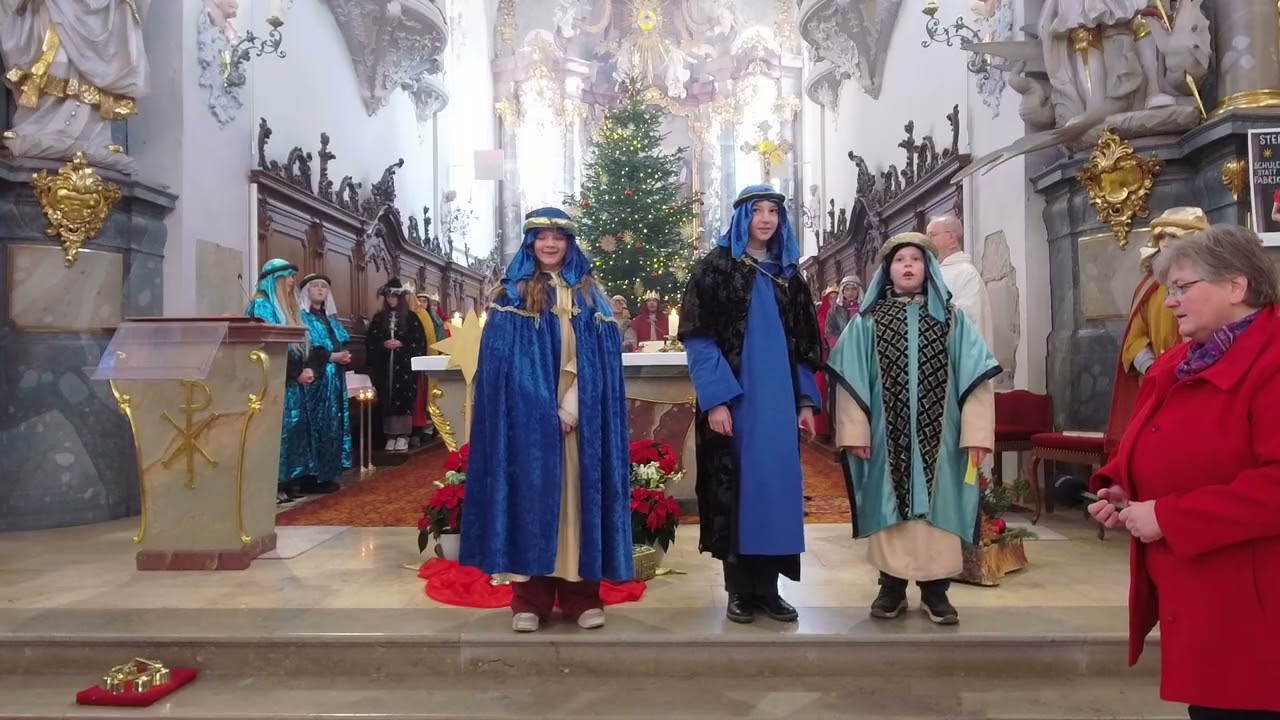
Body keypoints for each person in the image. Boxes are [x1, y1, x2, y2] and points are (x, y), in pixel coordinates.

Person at [1088, 224, 1280, 719]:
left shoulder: (1273, 362)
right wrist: (1120, 486)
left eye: (1181, 287)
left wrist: (1169, 517)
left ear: (1237, 287)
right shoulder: (1178, 361)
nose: (1169, 303)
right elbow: (1150, 439)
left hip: (1256, 603)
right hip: (1202, 595)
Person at [461, 207, 633, 633]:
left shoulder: (592, 296)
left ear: (570, 243)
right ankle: (529, 599)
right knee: (530, 500)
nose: (550, 244)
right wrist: (541, 411)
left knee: (577, 501)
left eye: (559, 236)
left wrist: (572, 406)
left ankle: (581, 597)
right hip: (528, 423)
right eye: (542, 237)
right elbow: (502, 368)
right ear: (530, 243)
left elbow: (602, 362)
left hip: (581, 423)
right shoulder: (509, 297)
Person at [827, 232, 999, 625]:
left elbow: (975, 381)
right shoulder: (868, 323)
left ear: (928, 268)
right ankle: (891, 587)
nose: (907, 266)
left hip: (944, 440)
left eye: (916, 260)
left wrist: (976, 434)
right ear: (887, 269)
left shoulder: (952, 320)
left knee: (940, 509)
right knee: (890, 508)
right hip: (887, 439)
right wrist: (854, 432)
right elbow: (851, 380)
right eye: (900, 259)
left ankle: (937, 592)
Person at [678, 184, 823, 624]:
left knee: (775, 494)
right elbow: (700, 340)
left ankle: (769, 589)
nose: (765, 218)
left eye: (773, 211)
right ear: (741, 217)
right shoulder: (714, 270)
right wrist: (717, 400)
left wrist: (803, 400)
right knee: (736, 493)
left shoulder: (789, 276)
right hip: (736, 403)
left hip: (779, 405)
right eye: (756, 210)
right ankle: (739, 589)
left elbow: (802, 346)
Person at [1103, 206, 1208, 456]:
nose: (1165, 244)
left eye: (1171, 237)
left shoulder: (1213, 281)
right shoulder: (1148, 286)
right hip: (1159, 384)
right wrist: (1153, 369)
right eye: (1160, 238)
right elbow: (1135, 339)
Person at [245, 258, 317, 504]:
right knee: (276, 433)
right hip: (273, 382)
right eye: (287, 276)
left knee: (291, 431)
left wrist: (303, 368)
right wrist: (294, 373)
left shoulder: (287, 307)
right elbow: (271, 345)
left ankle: (288, 481)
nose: (291, 281)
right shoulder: (262, 306)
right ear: (273, 279)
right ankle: (271, 484)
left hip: (289, 382)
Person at [296, 273, 352, 493]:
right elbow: (309, 350)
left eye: (324, 287)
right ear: (307, 292)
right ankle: (313, 477)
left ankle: (329, 473)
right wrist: (332, 357)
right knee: (317, 424)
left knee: (333, 423)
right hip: (317, 378)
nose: (320, 290)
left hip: (334, 378)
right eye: (315, 286)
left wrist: (343, 356)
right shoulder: (303, 316)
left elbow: (339, 341)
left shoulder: (330, 318)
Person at [365, 279, 427, 451]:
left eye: (394, 297)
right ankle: (390, 435)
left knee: (404, 395)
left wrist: (402, 344)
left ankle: (403, 434)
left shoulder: (412, 318)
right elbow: (371, 341)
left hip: (404, 366)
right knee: (387, 396)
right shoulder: (379, 319)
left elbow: (419, 341)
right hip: (385, 366)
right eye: (388, 297)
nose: (391, 300)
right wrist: (383, 344)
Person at [927, 216, 994, 349]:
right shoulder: (934, 272)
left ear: (951, 238)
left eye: (932, 235)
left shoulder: (966, 274)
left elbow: (967, 321)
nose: (926, 241)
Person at [824, 276, 862, 349]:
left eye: (854, 289)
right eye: (847, 289)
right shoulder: (834, 310)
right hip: (842, 349)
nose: (850, 293)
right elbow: (829, 333)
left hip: (862, 347)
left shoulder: (865, 308)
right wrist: (838, 348)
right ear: (842, 291)